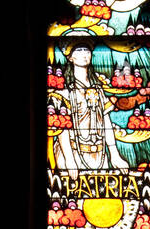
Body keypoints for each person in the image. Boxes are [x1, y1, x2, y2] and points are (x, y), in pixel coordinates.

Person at [52, 39, 128, 174]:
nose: (84, 54)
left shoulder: (99, 90)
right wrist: (69, 159)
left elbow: (106, 122)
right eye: (79, 50)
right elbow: (62, 128)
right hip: (72, 154)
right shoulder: (64, 93)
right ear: (70, 57)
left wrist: (115, 155)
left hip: (99, 155)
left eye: (87, 50)